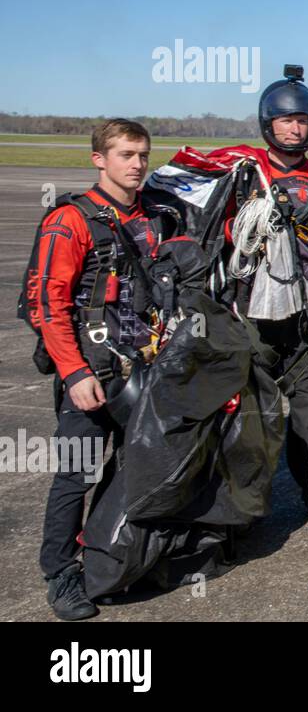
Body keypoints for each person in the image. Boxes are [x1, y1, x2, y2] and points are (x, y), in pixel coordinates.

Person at [28, 119, 162, 620]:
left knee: (135, 469)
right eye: (126, 154)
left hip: (142, 372)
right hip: (90, 374)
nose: (137, 164)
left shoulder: (153, 217)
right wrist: (74, 373)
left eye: (143, 155)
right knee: (76, 476)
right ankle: (60, 574)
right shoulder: (71, 220)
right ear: (98, 160)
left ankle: (111, 557)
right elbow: (48, 304)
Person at [231, 66, 308, 532]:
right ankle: (245, 507)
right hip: (251, 316)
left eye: (302, 121)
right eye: (285, 120)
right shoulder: (243, 175)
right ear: (268, 124)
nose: (294, 128)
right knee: (252, 419)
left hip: (306, 315)